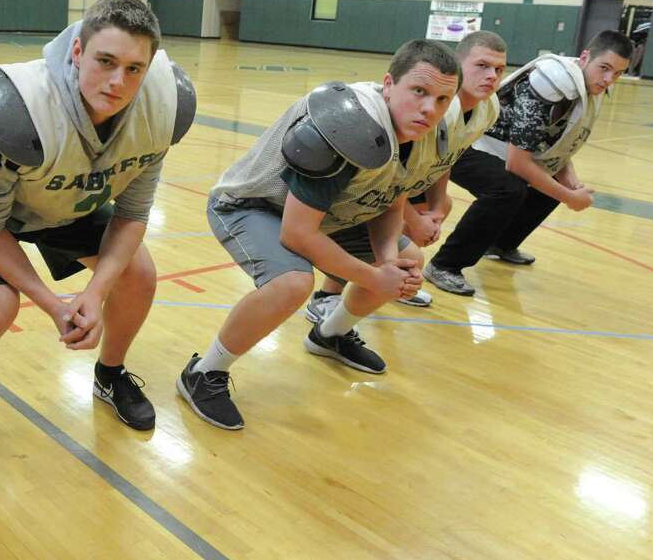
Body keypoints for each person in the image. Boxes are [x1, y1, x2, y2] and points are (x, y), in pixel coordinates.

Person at [0, 0, 196, 450]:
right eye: (105, 61)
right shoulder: (13, 111)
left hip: (65, 189)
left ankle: (110, 374)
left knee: (137, 274)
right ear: (77, 52)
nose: (118, 82)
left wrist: (95, 292)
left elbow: (133, 214)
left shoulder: (164, 107)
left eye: (135, 68)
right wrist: (52, 303)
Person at [178, 40, 459, 430]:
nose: (431, 108)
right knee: (292, 282)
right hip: (254, 205)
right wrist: (375, 277)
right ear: (389, 84)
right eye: (420, 91)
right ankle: (204, 372)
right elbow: (297, 234)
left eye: (444, 98)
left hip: (331, 215)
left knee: (407, 260)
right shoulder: (349, 124)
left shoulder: (423, 132)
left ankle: (330, 335)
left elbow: (390, 199)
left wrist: (389, 262)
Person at [304, 31, 508, 321]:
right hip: (387, 180)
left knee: (422, 226)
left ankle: (391, 282)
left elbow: (447, 157)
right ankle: (329, 294)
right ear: (458, 66)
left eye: (499, 70)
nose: (492, 76)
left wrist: (438, 204)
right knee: (378, 231)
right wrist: (414, 218)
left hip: (414, 178)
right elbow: (392, 183)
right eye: (482, 66)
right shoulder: (435, 112)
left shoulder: (489, 108)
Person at [423, 30, 632, 295]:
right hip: (469, 143)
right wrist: (570, 197)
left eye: (618, 73)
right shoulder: (551, 84)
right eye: (605, 68)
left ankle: (501, 243)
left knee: (550, 184)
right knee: (508, 188)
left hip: (499, 149)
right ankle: (444, 265)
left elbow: (557, 147)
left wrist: (572, 185)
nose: (608, 79)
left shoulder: (587, 87)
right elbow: (517, 164)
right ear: (585, 57)